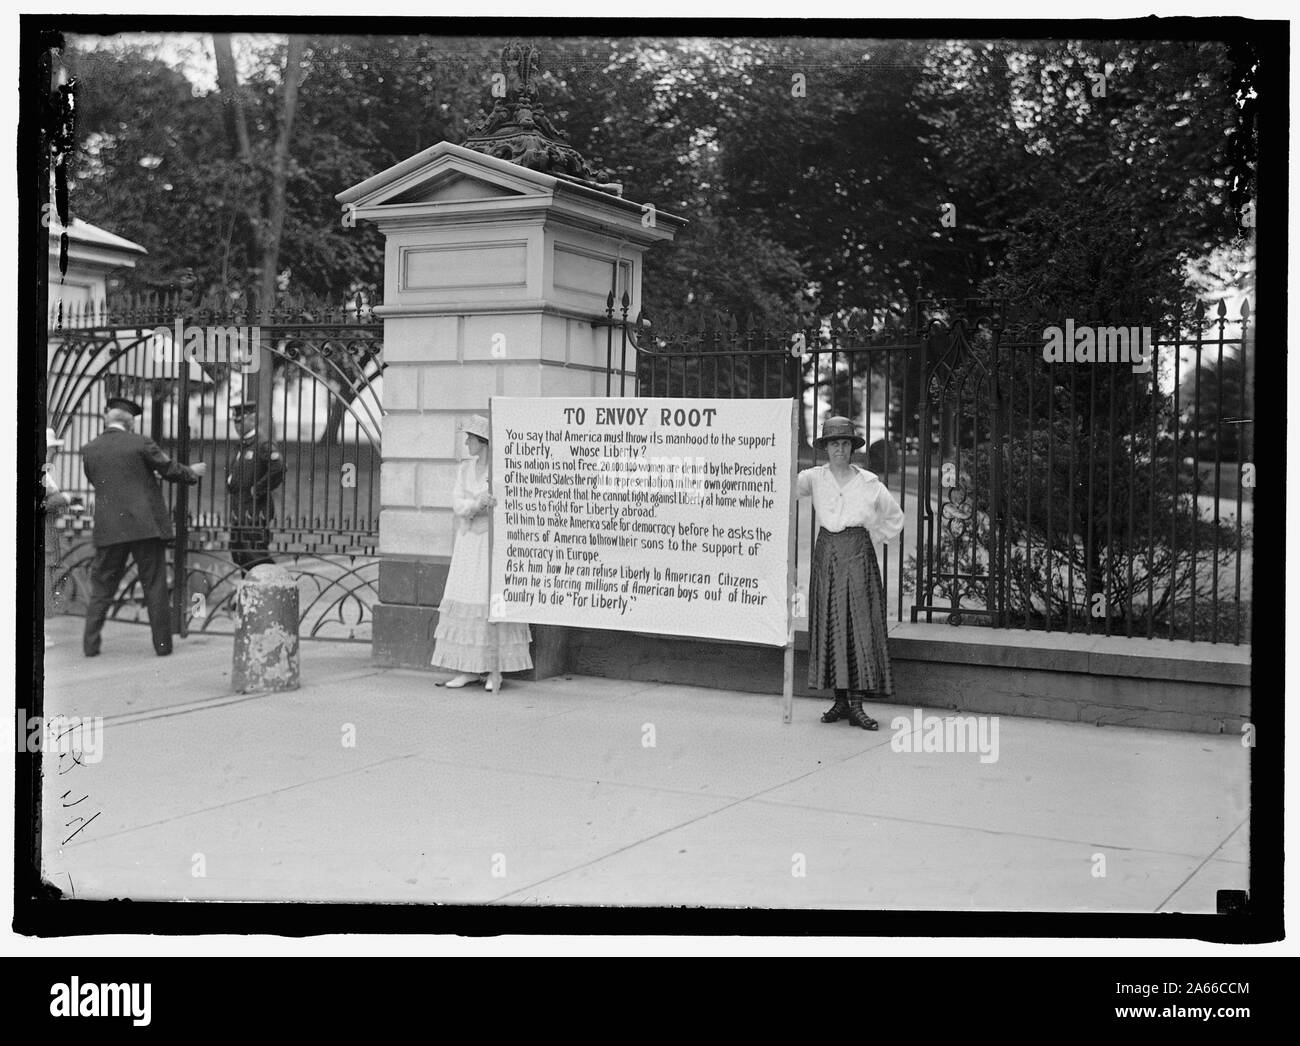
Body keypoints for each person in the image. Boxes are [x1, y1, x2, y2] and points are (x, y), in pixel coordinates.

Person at [797, 415, 904, 729]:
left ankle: (857, 704)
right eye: (833, 444)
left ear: (852, 447)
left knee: (858, 625)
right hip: (825, 554)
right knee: (831, 623)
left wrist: (871, 537)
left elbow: (894, 517)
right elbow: (784, 486)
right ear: (826, 448)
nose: (839, 449)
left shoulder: (869, 482)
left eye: (844, 443)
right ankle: (840, 702)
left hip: (857, 554)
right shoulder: (814, 477)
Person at [81, 397, 208, 657]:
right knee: (155, 585)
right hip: (145, 527)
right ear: (130, 422)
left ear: (108, 418)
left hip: (110, 528)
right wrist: (191, 472)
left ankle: (90, 645)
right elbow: (169, 468)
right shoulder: (140, 443)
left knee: (102, 588)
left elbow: (96, 481)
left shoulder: (90, 448)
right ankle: (162, 646)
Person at [430, 414, 532, 691]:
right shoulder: (465, 470)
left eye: (470, 439)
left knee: (487, 601)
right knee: (464, 597)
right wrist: (475, 504)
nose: (466, 443)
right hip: (468, 542)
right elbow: (457, 503)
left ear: (483, 442)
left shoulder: (500, 471)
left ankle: (494, 670)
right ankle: (467, 668)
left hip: (490, 543)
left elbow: (512, 506)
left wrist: (495, 503)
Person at [225, 396, 285, 574]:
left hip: (254, 511)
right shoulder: (243, 444)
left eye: (241, 421)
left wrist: (257, 489)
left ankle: (273, 591)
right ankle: (250, 597)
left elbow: (278, 467)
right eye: (235, 422)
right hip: (239, 511)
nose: (237, 426)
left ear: (252, 419)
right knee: (241, 556)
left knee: (256, 557)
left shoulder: (262, 443)